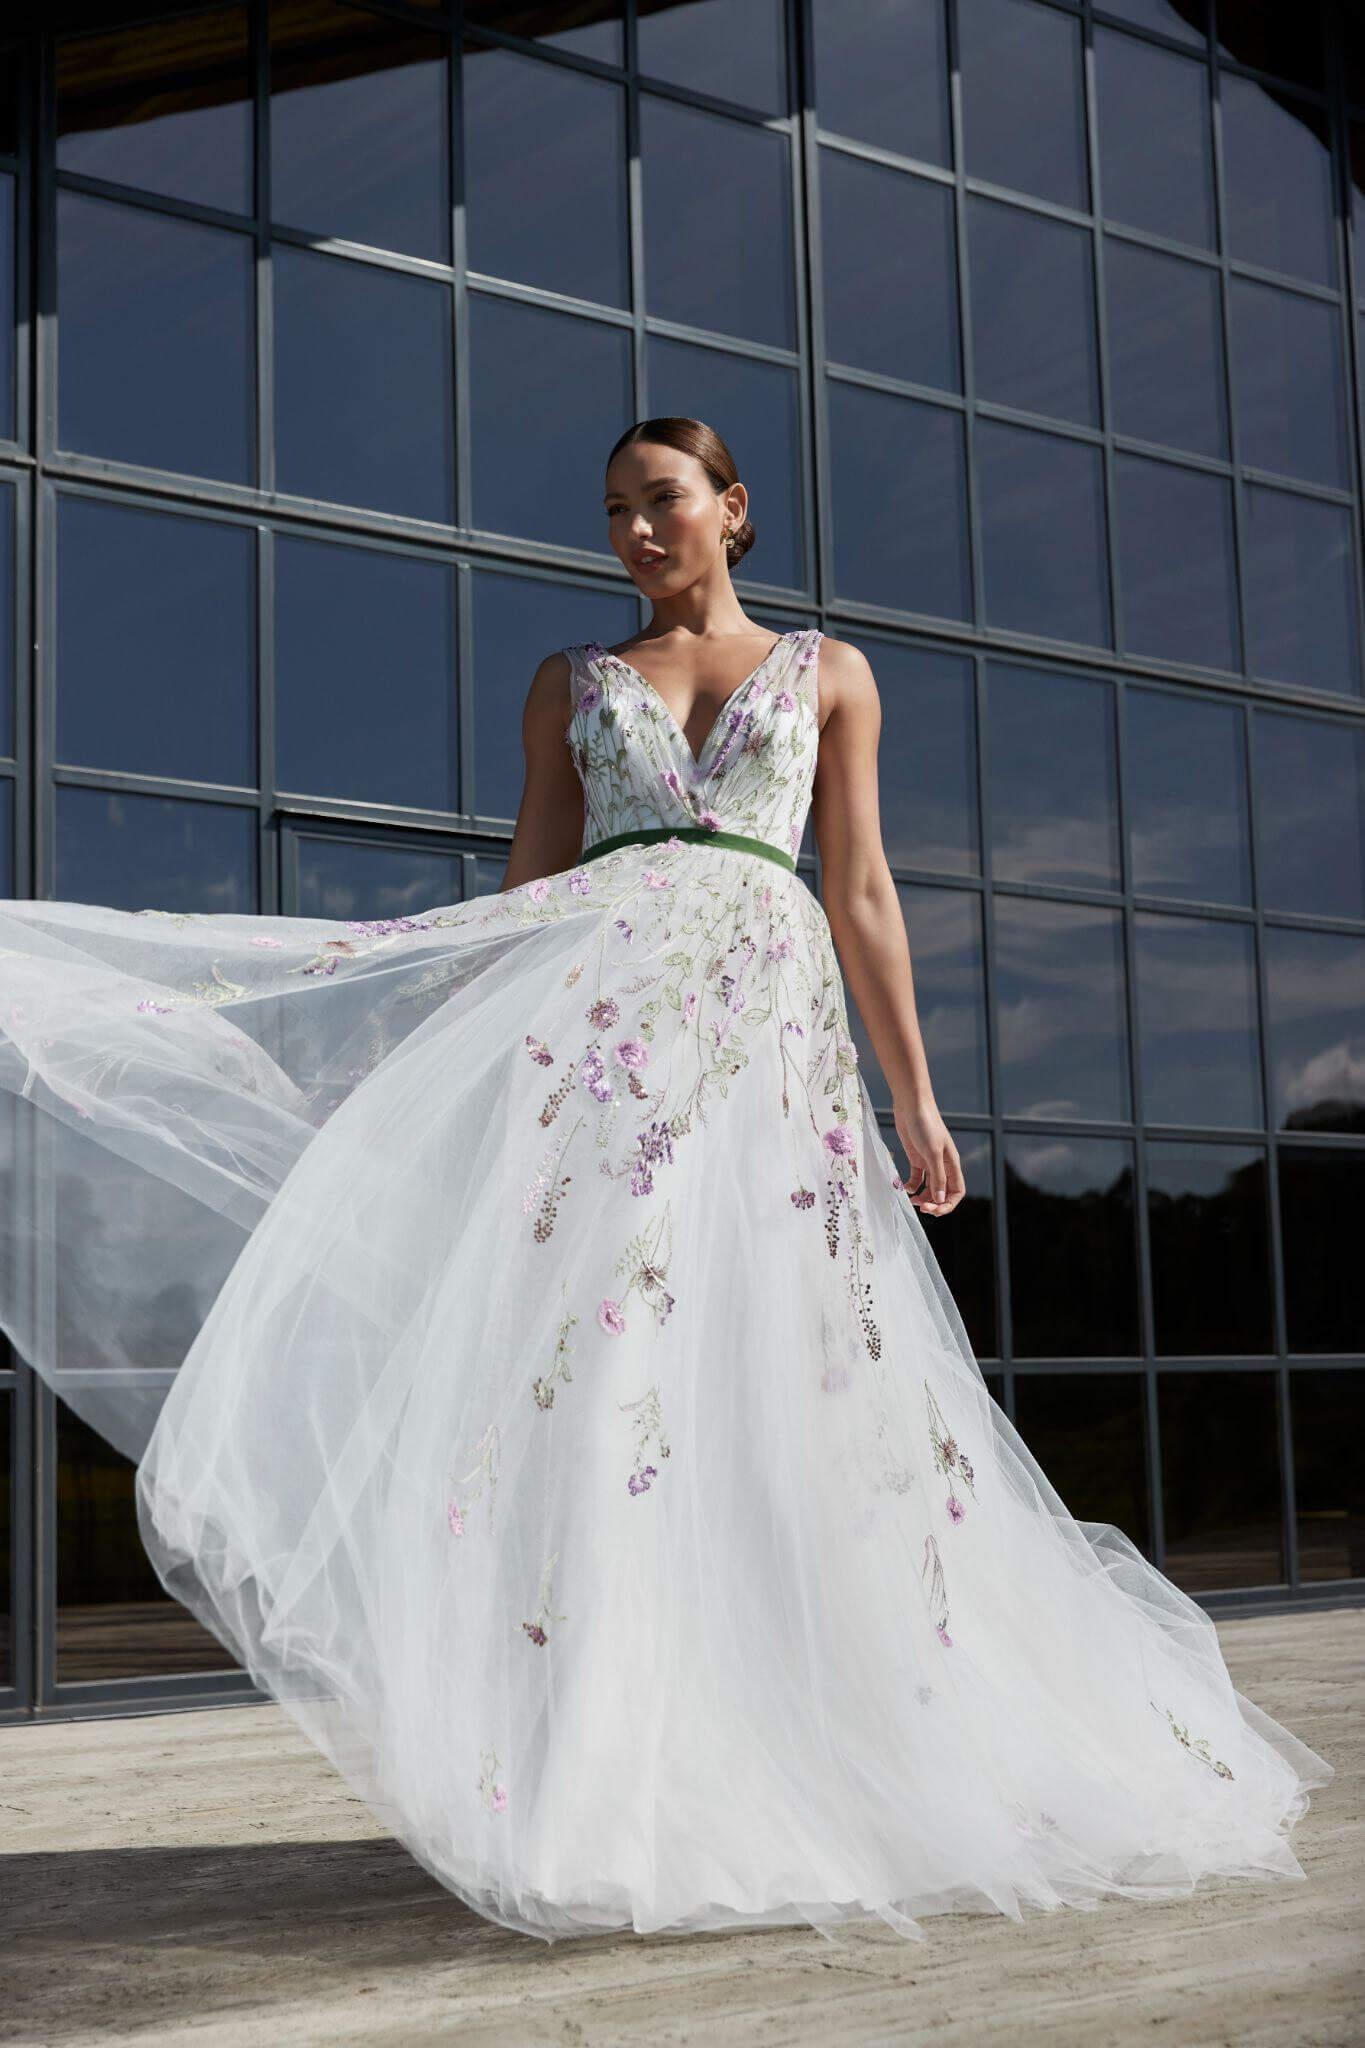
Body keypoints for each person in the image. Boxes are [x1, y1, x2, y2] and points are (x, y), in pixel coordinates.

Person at [0, 417, 1331, 1945]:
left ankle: (842, 1752)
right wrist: (456, 1068)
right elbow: (530, 890)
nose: (636, 529)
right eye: (615, 509)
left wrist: (912, 1094)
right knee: (608, 1381)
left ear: (730, 507)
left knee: (792, 1376)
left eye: (663, 500)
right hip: (604, 1050)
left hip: (770, 1043)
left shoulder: (829, 673)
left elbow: (861, 888)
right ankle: (604, 1789)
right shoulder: (572, 683)